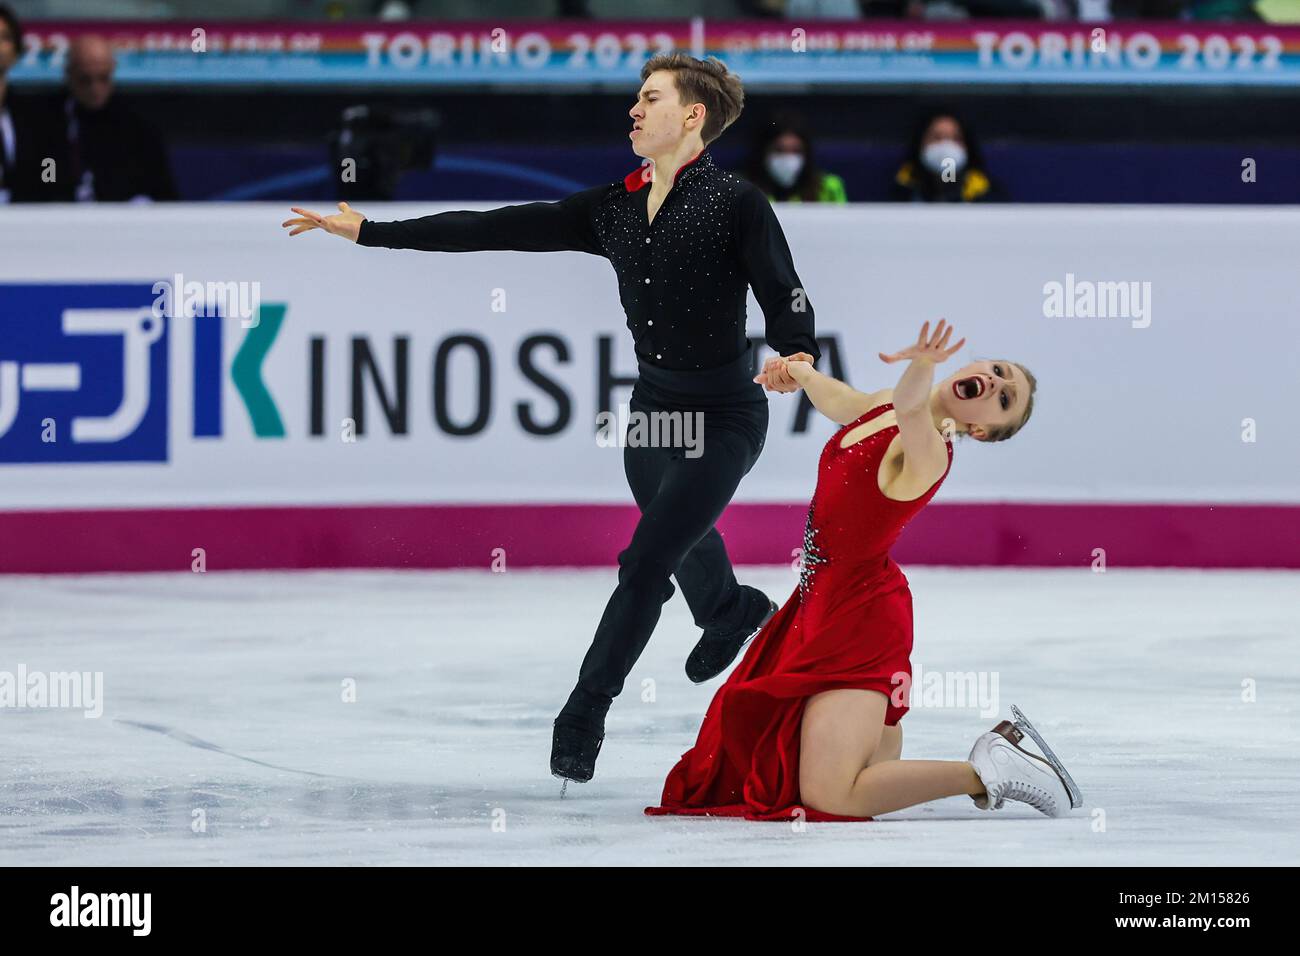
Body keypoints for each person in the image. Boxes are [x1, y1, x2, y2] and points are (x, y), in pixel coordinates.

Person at [281, 53, 821, 784]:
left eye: (650, 98)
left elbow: (784, 291)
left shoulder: (737, 202)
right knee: (675, 526)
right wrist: (374, 231)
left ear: (692, 117)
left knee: (646, 559)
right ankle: (726, 609)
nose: (633, 110)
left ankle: (584, 711)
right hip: (653, 415)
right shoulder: (614, 208)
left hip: (725, 415)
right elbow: (494, 225)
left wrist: (795, 354)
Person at [647, 319, 1081, 821]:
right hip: (819, 606)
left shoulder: (929, 451)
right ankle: (884, 745)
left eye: (1006, 399)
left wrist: (921, 365)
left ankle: (989, 769)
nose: (997, 385)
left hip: (860, 619)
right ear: (976, 366)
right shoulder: (884, 405)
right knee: (831, 770)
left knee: (832, 795)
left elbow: (913, 407)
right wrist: (802, 374)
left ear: (980, 429)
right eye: (1000, 373)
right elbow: (846, 404)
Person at [49, 35, 177, 202]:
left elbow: (163, 194)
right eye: (85, 80)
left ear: (112, 72)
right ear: (69, 75)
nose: (95, 88)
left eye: (103, 78)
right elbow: (43, 178)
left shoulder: (138, 131)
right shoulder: (48, 126)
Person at [890, 111, 1001, 204]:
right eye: (937, 137)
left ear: (967, 146)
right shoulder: (902, 187)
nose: (946, 146)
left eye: (955, 138)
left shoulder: (985, 191)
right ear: (920, 143)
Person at [742, 111, 847, 204]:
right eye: (779, 150)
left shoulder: (829, 188)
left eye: (796, 151)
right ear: (763, 153)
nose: (788, 158)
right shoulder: (741, 190)